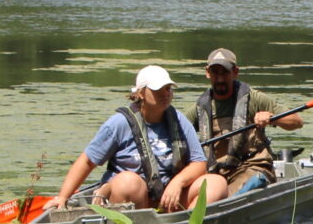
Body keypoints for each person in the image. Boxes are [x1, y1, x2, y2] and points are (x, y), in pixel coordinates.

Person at [40, 65, 212, 214]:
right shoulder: (119, 123)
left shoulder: (179, 120)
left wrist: (178, 182)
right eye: (158, 89)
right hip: (130, 196)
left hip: (167, 198)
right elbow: (87, 161)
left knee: (214, 184)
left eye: (168, 88)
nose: (165, 94)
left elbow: (199, 163)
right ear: (140, 93)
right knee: (129, 183)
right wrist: (63, 197)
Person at [191, 47, 302, 198]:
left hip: (251, 168)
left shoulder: (253, 99)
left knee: (227, 198)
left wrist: (271, 117)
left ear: (235, 72)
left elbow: (296, 121)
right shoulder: (201, 107)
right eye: (215, 72)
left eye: (225, 72)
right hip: (216, 173)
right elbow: (178, 131)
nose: (220, 79)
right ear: (207, 73)